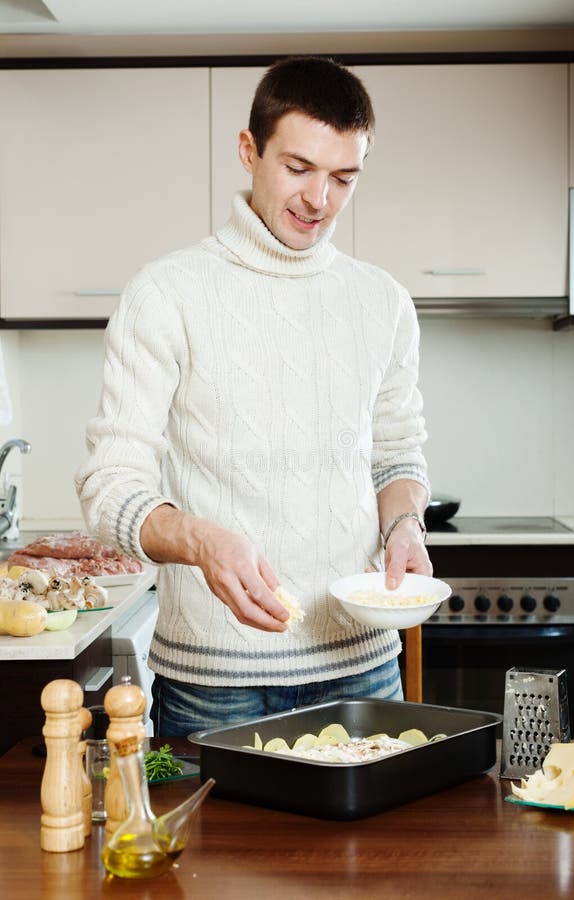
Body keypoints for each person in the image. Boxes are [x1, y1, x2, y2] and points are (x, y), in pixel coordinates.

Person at [76, 56, 432, 737]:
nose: (318, 199)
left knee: (386, 848)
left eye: (342, 177)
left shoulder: (382, 301)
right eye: (297, 168)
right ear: (249, 151)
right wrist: (201, 540)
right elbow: (109, 487)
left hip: (363, 665)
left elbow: (395, 457)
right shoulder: (165, 293)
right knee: (213, 849)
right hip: (215, 681)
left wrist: (402, 526)